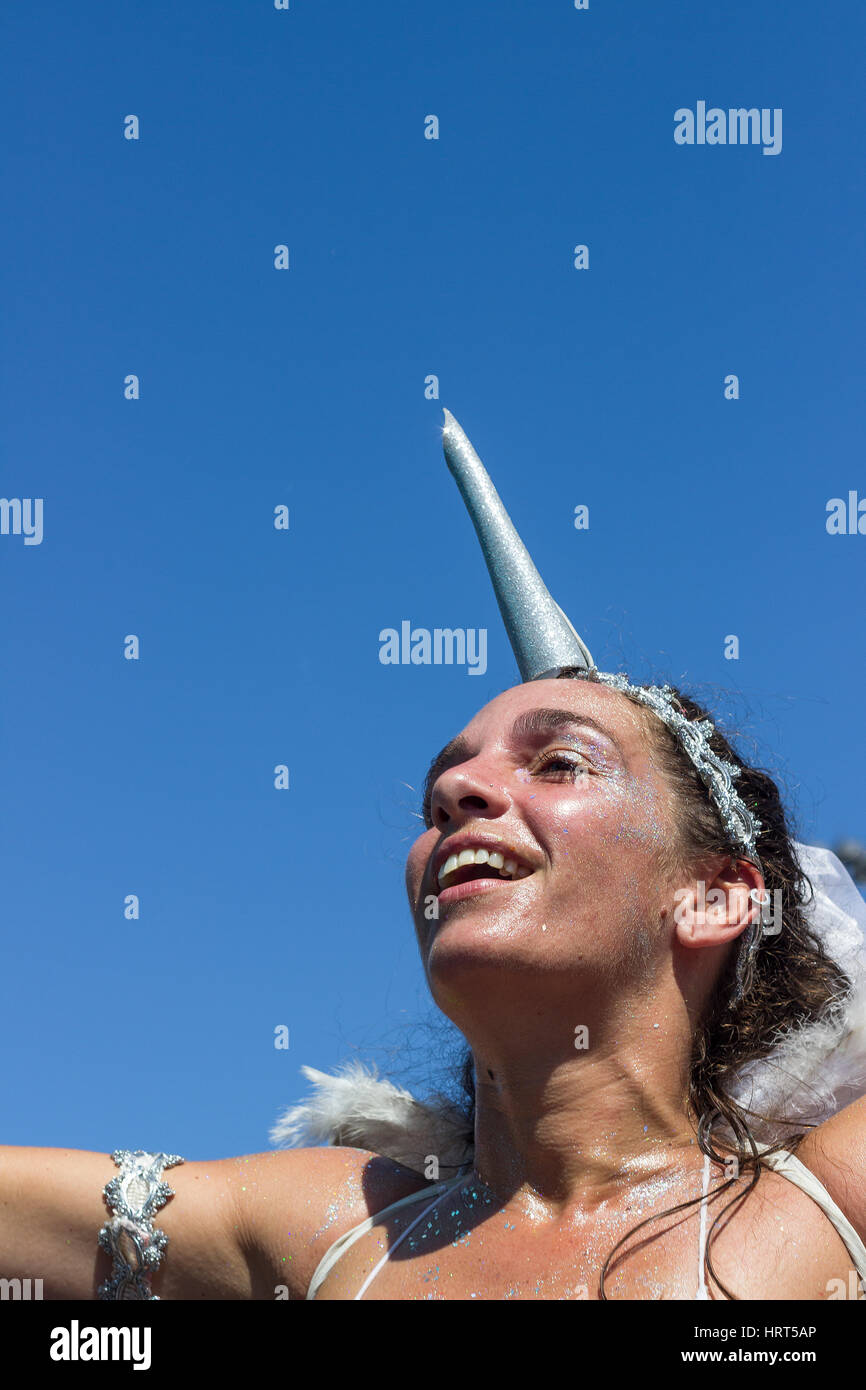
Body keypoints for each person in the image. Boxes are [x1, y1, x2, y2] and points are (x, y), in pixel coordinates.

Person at [2, 412, 864, 1301]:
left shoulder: (826, 1210)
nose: (460, 796)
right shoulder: (341, 1232)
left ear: (716, 897)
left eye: (561, 762)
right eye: (438, 791)